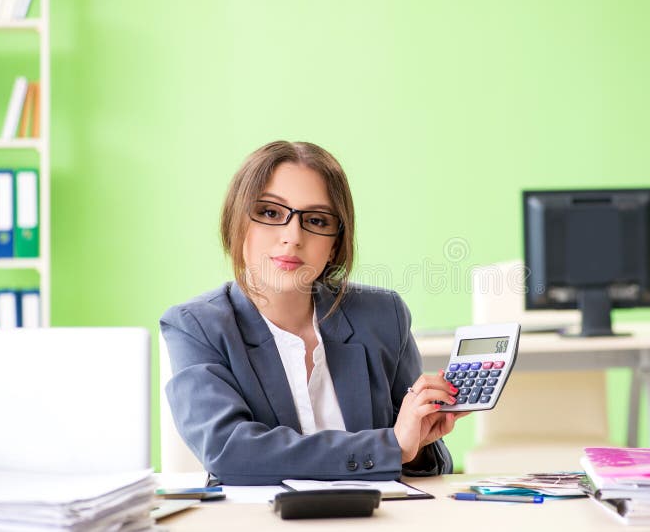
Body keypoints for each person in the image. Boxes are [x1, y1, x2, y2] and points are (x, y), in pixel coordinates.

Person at [161, 140, 464, 485]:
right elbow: (231, 454)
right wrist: (390, 445)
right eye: (270, 213)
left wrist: (420, 442)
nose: (293, 237)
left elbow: (427, 460)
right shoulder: (195, 326)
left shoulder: (382, 316)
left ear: (335, 242)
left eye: (316, 220)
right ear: (237, 222)